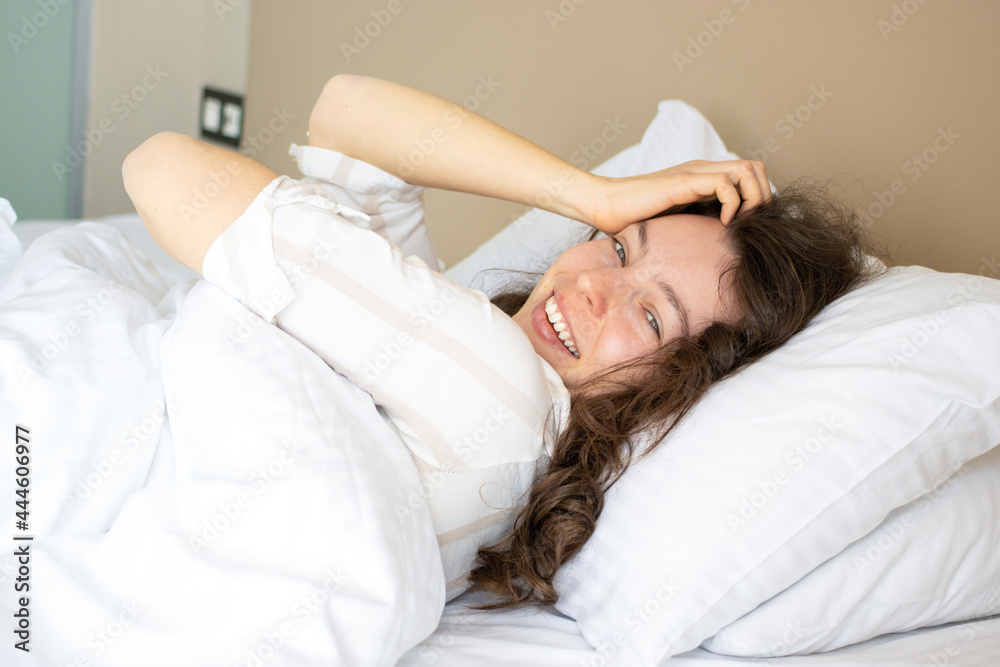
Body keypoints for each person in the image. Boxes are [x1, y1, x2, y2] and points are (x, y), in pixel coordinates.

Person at [123, 75, 875, 607]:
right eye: (619, 245)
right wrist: (598, 196)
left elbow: (159, 168)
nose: (593, 285)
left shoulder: (500, 389)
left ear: (676, 390)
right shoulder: (486, 403)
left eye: (651, 316)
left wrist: (594, 199)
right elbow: (345, 115)